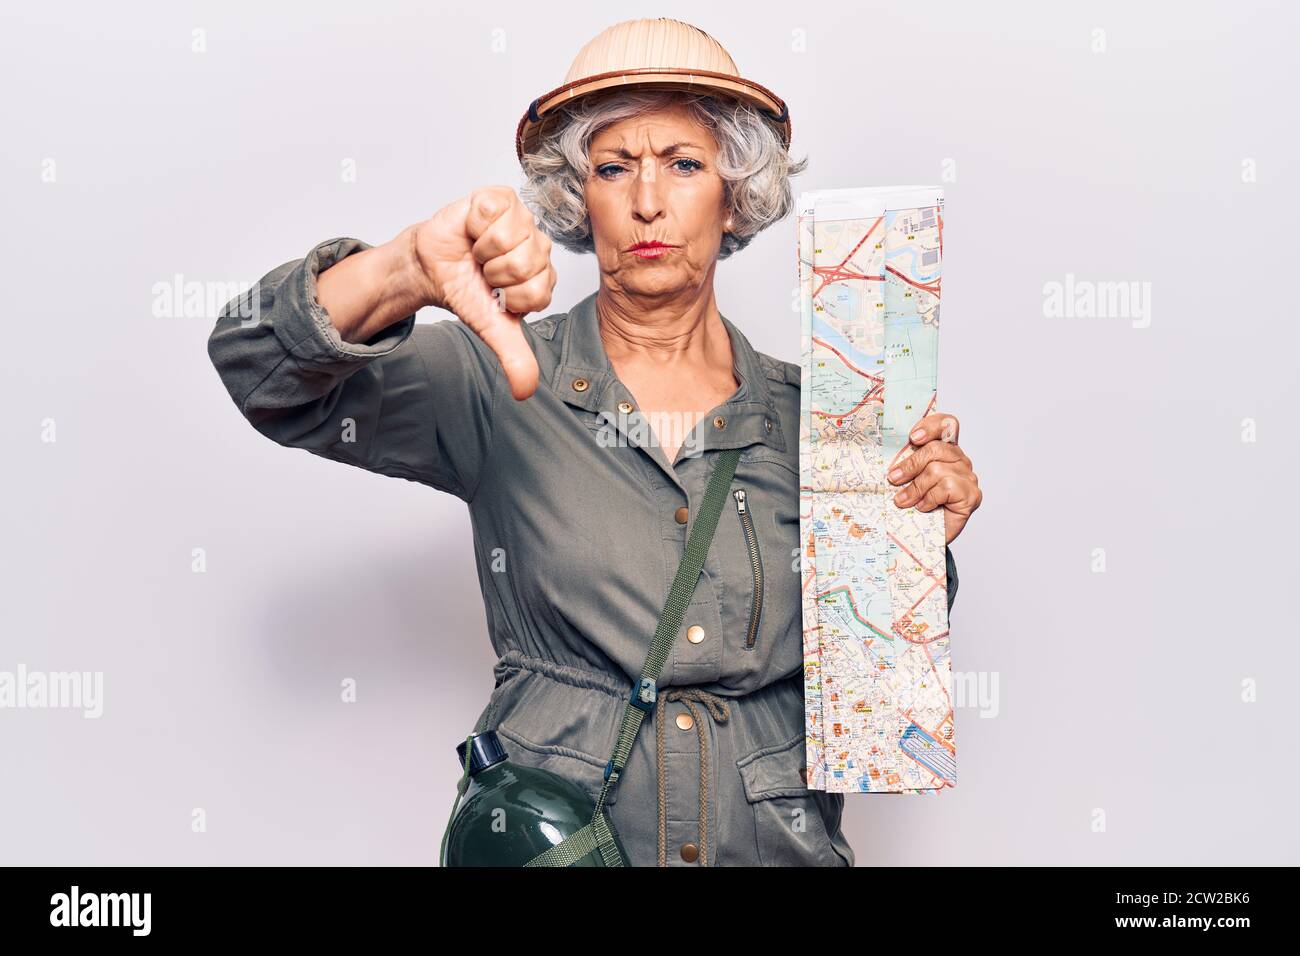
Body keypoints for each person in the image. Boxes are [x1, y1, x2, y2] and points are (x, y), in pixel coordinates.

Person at [206, 17, 983, 866]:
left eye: (684, 165)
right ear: (580, 197)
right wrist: (402, 272)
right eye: (614, 168)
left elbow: (873, 680)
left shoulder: (826, 418)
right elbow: (258, 369)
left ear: (735, 194)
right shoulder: (498, 379)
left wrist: (916, 539)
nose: (647, 200)